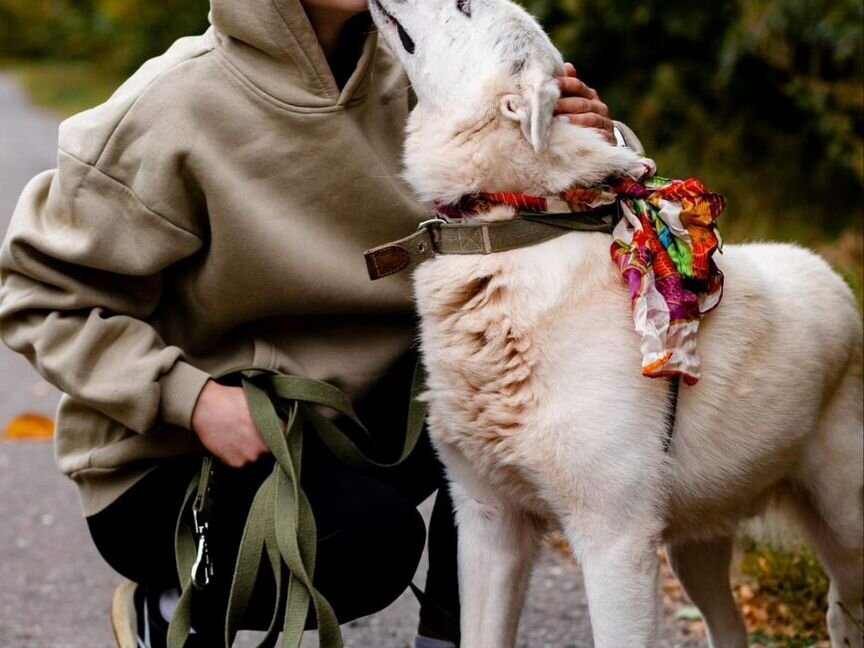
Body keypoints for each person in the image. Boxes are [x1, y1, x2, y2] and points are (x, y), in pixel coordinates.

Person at [0, 0, 636, 646]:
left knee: (508, 367)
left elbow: (557, 215)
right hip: (174, 458)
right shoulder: (171, 107)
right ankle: (169, 608)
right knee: (369, 543)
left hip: (347, 420)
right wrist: (193, 402)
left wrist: (590, 136)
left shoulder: (426, 67)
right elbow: (33, 292)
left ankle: (450, 639)